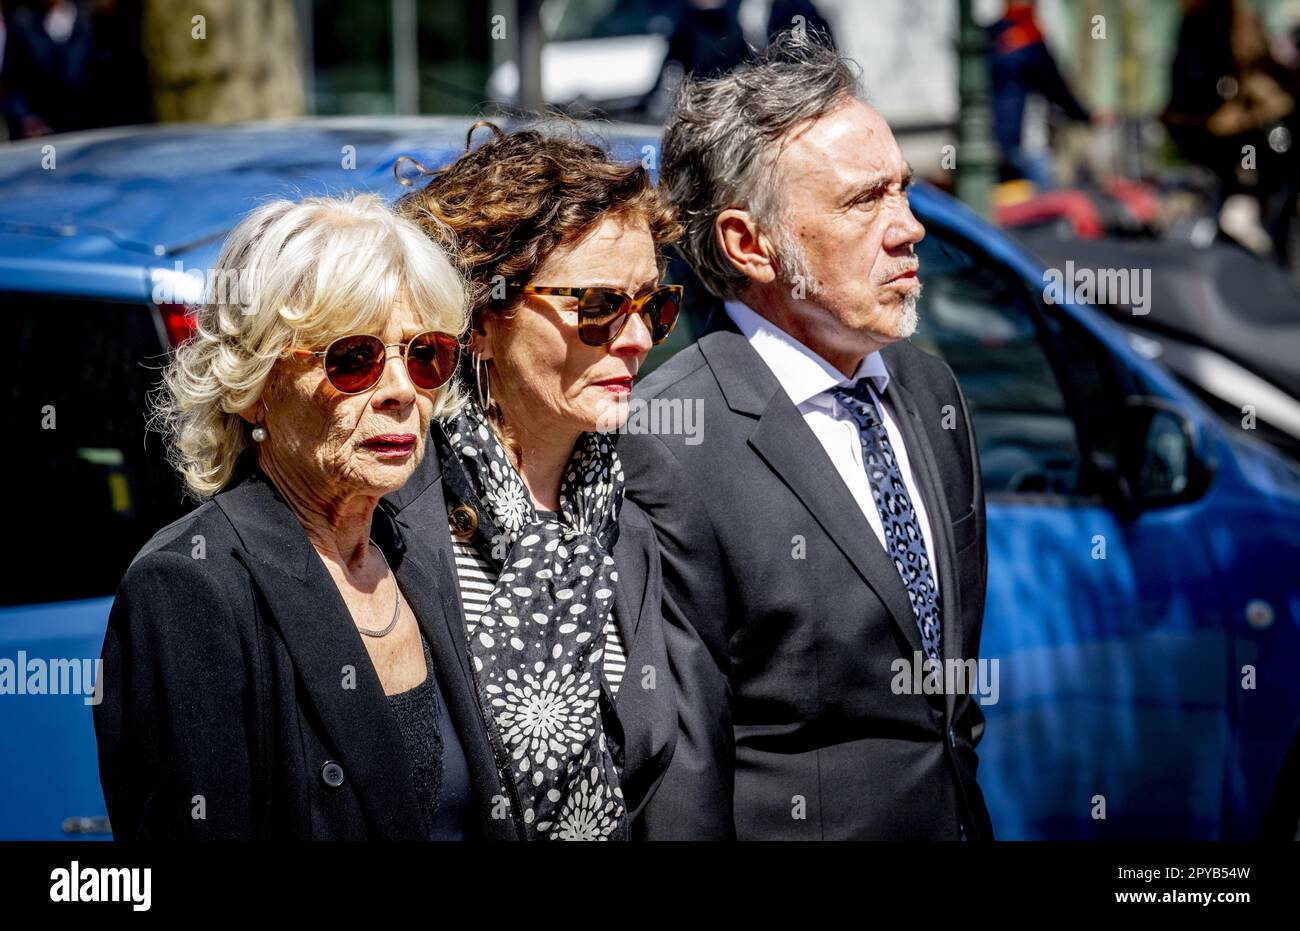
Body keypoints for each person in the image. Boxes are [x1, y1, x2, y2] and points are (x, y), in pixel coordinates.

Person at [619, 33, 995, 840]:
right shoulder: (671, 440)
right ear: (748, 244)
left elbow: (947, 704)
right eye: (864, 201)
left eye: (904, 190)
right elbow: (686, 768)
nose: (908, 228)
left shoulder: (932, 392)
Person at [93, 193, 516, 839]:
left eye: (426, 353)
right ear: (255, 387)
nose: (403, 390)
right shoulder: (189, 589)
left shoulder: (413, 555)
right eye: (354, 359)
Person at [393, 121, 705, 839]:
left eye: (654, 306)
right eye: (596, 307)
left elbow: (684, 777)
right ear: (478, 319)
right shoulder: (393, 513)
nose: (636, 340)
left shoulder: (642, 499)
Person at [988, 0, 1094, 189]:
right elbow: (1056, 89)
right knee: (1041, 202)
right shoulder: (1029, 39)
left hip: (988, 140)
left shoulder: (992, 34)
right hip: (1023, 143)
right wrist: (1086, 116)